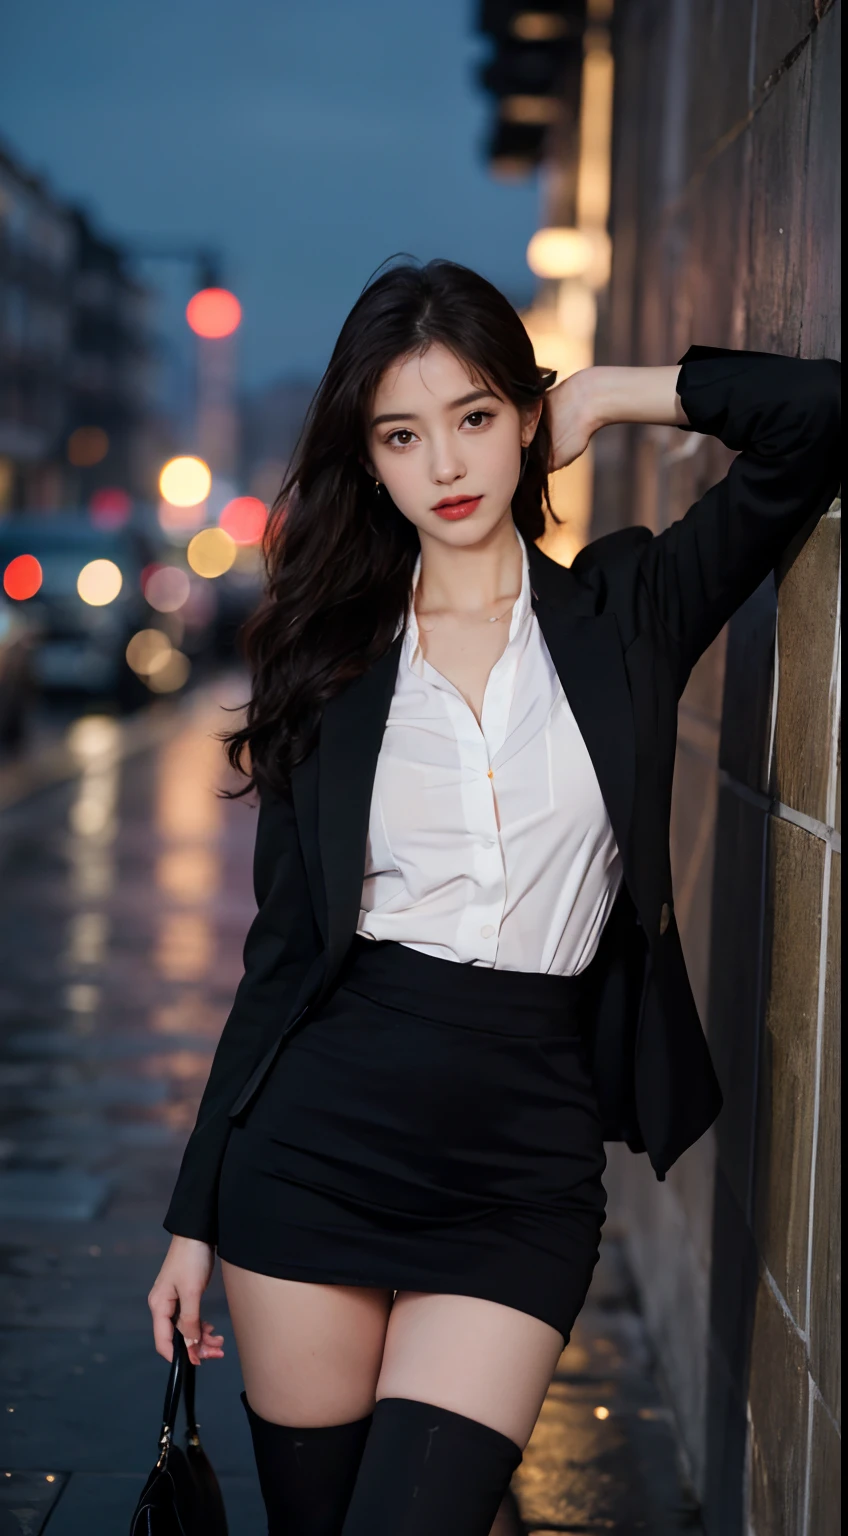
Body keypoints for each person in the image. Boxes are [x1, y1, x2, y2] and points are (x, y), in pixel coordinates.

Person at [148, 259, 840, 1536]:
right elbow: (282, 957)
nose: (446, 465)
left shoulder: (625, 608)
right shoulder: (331, 663)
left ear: (522, 420)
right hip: (312, 1152)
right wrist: (192, 1219)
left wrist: (606, 396)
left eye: (474, 416)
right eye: (402, 436)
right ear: (370, 463)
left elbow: (819, 417)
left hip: (520, 1166)